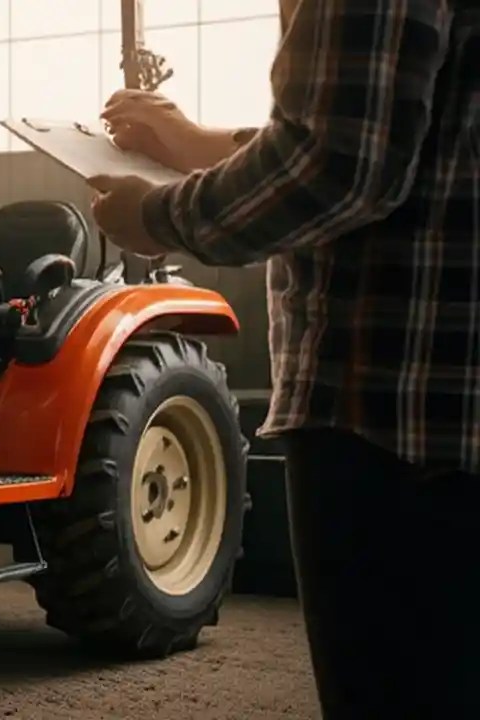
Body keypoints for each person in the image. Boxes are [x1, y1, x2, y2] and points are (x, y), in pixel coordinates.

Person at [85, 1, 478, 718]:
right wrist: (199, 142)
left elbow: (338, 164)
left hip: (390, 404)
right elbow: (391, 124)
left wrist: (155, 216)